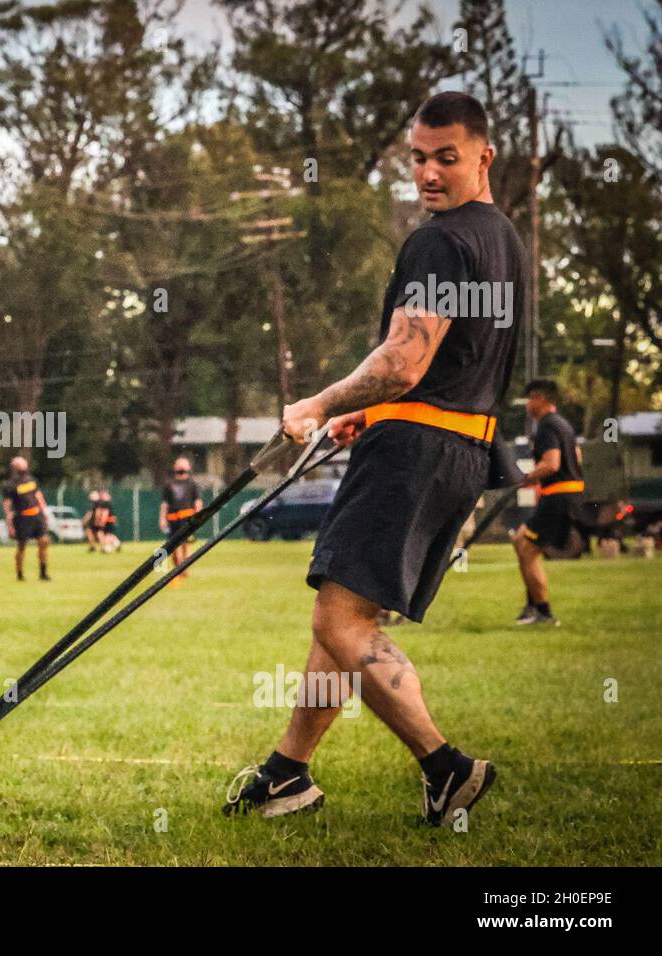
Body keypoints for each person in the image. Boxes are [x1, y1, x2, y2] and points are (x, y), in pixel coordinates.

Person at [224, 92, 519, 827]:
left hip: (414, 455)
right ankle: (288, 772)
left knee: (343, 625)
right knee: (344, 618)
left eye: (446, 157)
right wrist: (368, 411)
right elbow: (454, 362)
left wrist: (318, 404)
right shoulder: (502, 238)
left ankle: (445, 766)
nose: (428, 173)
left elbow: (403, 360)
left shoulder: (440, 240)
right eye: (418, 158)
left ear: (485, 155)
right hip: (459, 447)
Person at [512, 380, 585, 626]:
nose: (527, 405)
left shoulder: (546, 426)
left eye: (530, 399)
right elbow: (576, 456)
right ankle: (532, 606)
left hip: (559, 495)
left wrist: (526, 478)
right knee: (520, 540)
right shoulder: (563, 424)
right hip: (565, 493)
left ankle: (543, 612)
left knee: (528, 551)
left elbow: (552, 463)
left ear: (541, 398)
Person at [2, 456, 53, 582]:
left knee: (44, 541)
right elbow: (7, 506)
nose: (24, 465)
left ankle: (43, 572)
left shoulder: (31, 480)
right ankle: (19, 574)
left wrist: (45, 511)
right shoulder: (10, 484)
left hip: (36, 515)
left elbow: (38, 495)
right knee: (21, 546)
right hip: (22, 517)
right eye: (21, 464)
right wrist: (9, 524)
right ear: (15, 467)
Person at [159, 457, 202, 577]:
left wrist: (198, 516)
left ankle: (182, 569)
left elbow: (197, 502)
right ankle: (179, 569)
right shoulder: (169, 484)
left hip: (187, 519)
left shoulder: (192, 484)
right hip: (172, 520)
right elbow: (165, 504)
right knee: (173, 548)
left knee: (186, 546)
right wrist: (162, 518)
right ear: (175, 467)